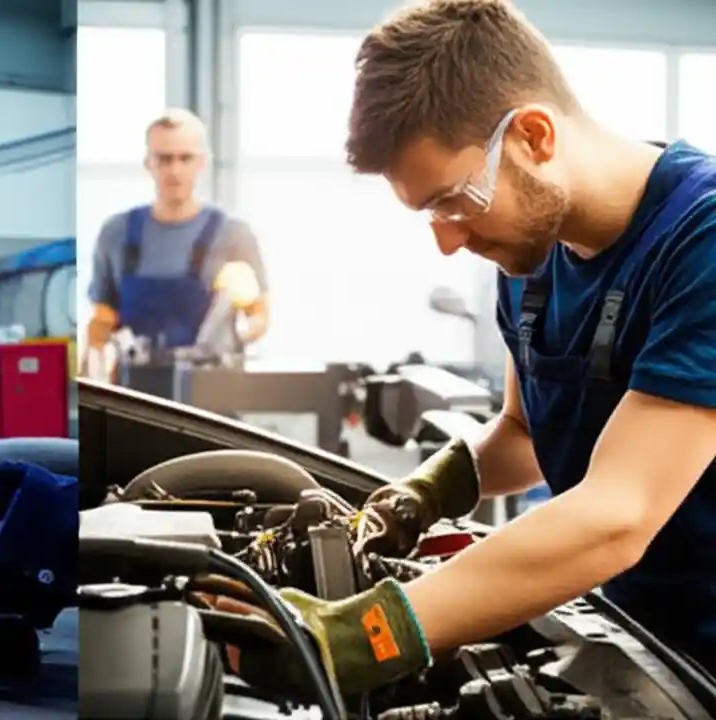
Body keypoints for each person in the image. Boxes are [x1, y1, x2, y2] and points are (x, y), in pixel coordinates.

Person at [218, 0, 716, 692]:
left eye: (454, 201)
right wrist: (417, 499)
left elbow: (617, 515)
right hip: (633, 639)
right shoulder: (534, 254)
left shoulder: (701, 240)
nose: (448, 241)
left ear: (534, 136)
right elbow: (522, 433)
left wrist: (349, 640)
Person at [83, 109, 270, 378]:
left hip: (211, 395)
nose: (175, 169)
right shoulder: (116, 233)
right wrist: (90, 371)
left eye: (185, 158)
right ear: (148, 162)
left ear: (202, 163)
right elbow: (103, 316)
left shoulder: (233, 235)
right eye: (164, 159)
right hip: (133, 395)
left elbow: (260, 316)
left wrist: (234, 337)